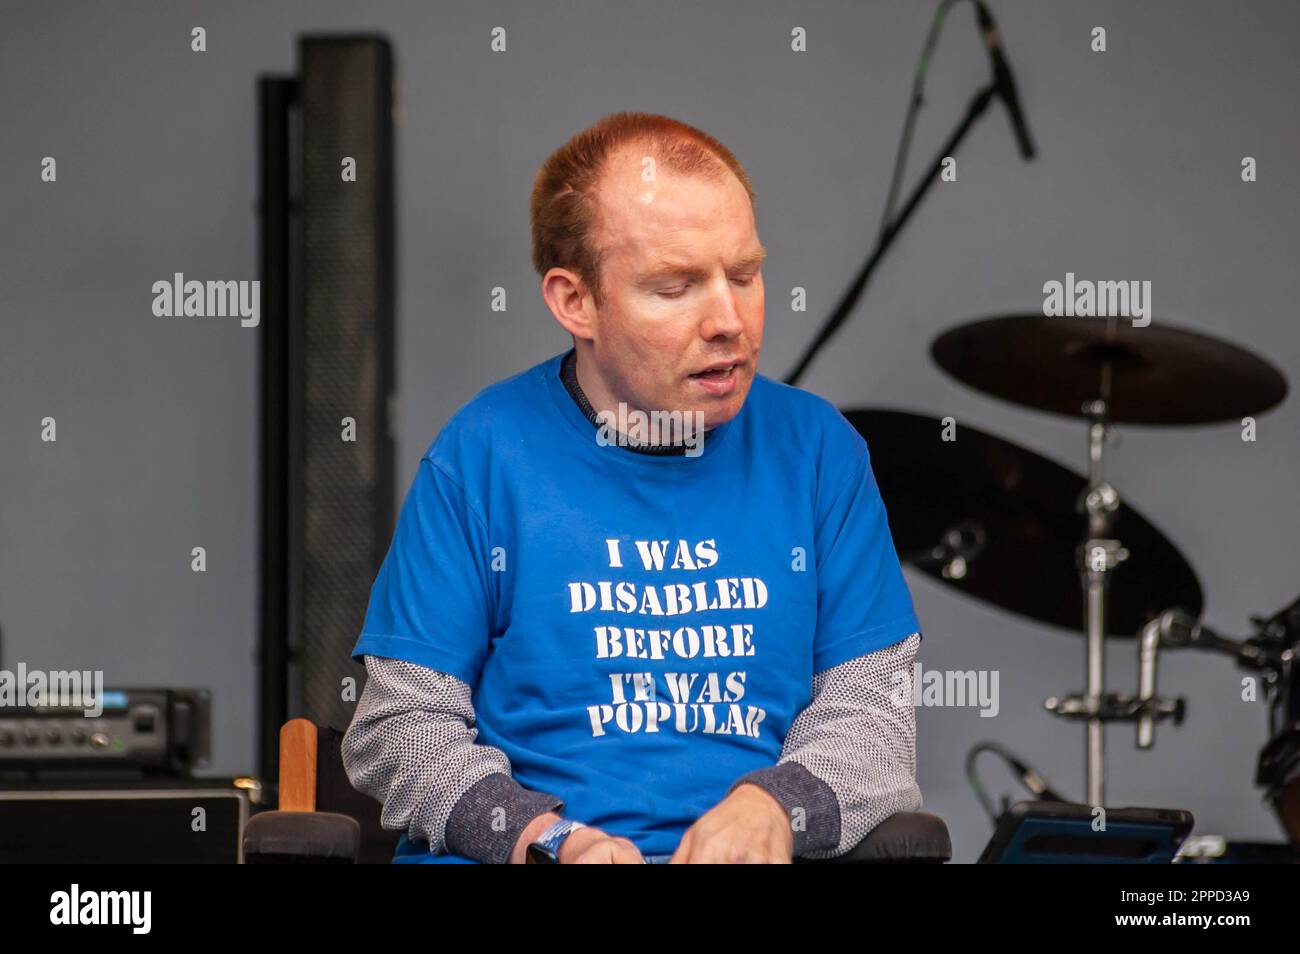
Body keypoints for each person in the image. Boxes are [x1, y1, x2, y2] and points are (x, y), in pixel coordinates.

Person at [343, 111, 923, 863]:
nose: (729, 320)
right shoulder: (481, 454)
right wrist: (545, 839)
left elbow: (874, 713)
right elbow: (400, 727)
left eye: (745, 275)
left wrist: (774, 808)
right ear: (574, 302)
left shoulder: (819, 451)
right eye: (674, 287)